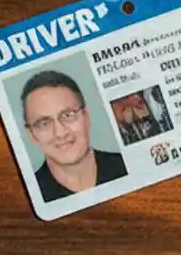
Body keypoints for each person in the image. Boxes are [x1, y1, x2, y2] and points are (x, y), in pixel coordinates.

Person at [20, 70, 127, 202]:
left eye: (67, 115)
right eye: (44, 123)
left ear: (86, 117)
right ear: (32, 135)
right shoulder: (30, 197)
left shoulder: (127, 165)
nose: (60, 133)